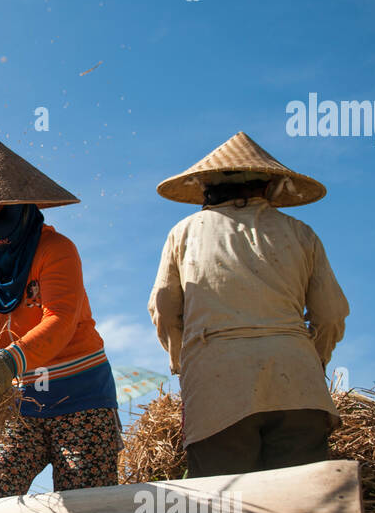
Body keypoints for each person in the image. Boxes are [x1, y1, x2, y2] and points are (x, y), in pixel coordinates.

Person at [0, 137, 122, 501]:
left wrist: (7, 361)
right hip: (17, 404)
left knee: (89, 506)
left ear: (21, 206)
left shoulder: (57, 250)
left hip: (83, 398)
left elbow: (60, 321)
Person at [148, 131, 350, 476]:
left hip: (217, 385)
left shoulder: (184, 232)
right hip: (298, 385)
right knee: (302, 511)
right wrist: (313, 358)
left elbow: (164, 311)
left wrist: (185, 361)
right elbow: (330, 316)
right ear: (268, 186)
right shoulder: (301, 233)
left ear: (207, 188)